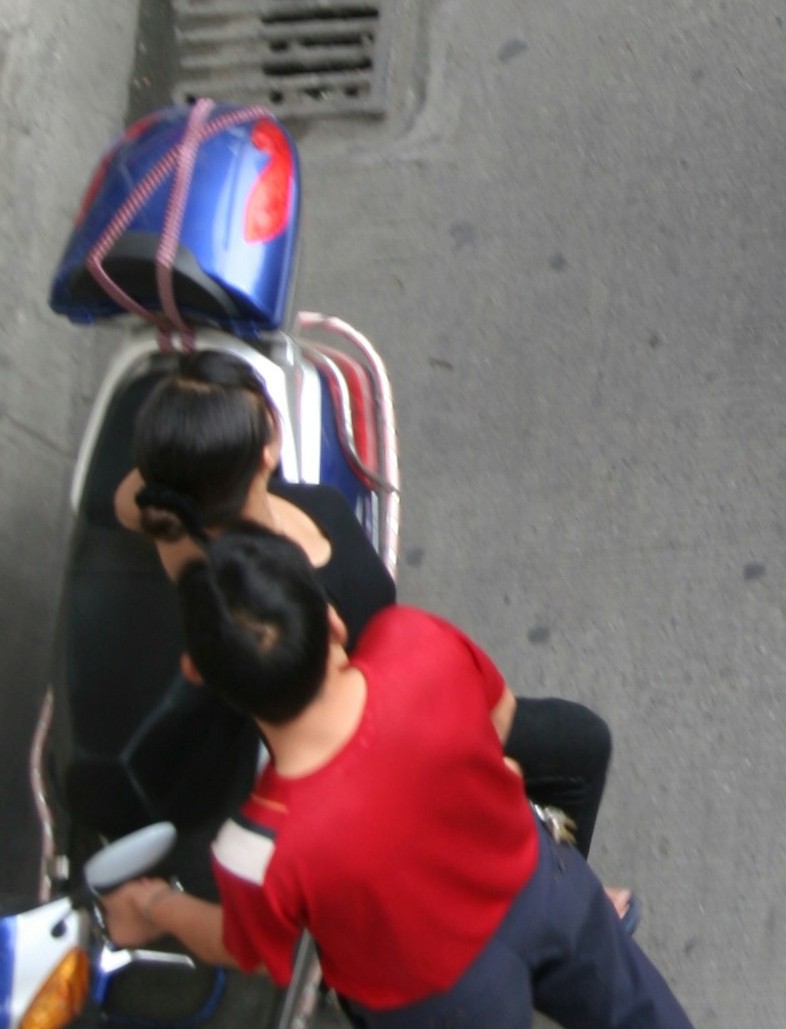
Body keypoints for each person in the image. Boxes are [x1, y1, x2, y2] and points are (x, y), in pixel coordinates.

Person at [100, 529, 732, 1029]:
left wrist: (154, 909)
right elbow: (498, 724)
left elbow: (245, 948)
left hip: (437, 1004)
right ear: (332, 623)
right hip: (541, 884)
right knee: (624, 996)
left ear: (201, 674)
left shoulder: (256, 845)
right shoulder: (415, 641)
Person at [117, 349, 617, 868]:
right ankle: (568, 883)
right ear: (264, 455)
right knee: (582, 743)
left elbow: (133, 497)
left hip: (383, 694)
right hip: (393, 726)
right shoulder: (281, 587)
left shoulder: (183, 529)